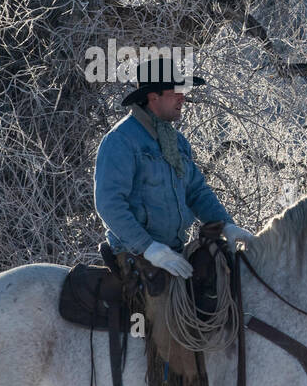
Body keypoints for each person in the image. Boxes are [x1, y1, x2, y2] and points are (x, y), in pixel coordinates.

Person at [94, 55, 253, 276]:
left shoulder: (177, 142)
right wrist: (148, 247)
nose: (183, 99)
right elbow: (108, 203)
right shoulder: (121, 140)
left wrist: (226, 225)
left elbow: (196, 192)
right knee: (165, 310)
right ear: (153, 97)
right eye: (174, 93)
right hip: (134, 255)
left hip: (173, 252)